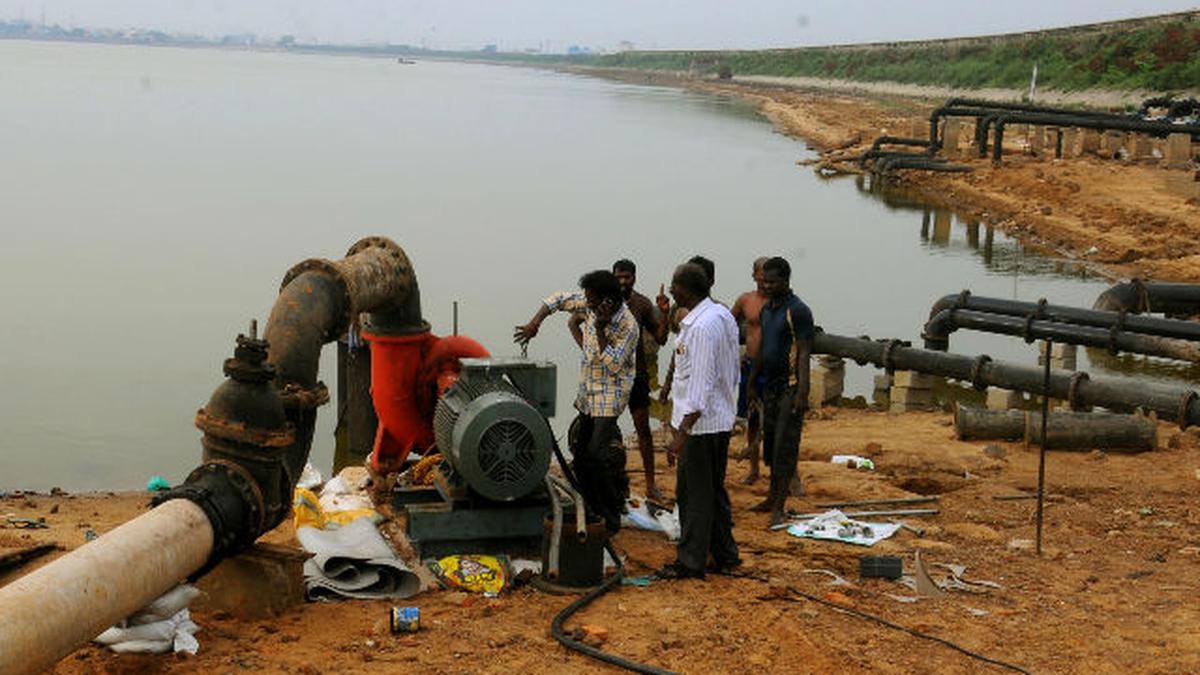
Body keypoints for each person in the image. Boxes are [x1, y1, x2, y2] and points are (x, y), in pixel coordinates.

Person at [514, 270, 639, 533]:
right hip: (589, 388)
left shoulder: (628, 326)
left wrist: (599, 329)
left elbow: (614, 364)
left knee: (596, 454)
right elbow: (557, 300)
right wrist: (535, 323)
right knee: (581, 455)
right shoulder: (591, 302)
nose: (588, 304)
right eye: (588, 300)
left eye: (592, 301)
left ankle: (611, 515)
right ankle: (590, 506)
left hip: (611, 392)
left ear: (609, 301)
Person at [656, 263, 741, 580]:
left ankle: (690, 562)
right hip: (718, 419)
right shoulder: (721, 316)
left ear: (684, 289)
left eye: (675, 286)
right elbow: (731, 371)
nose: (672, 292)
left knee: (694, 495)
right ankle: (726, 554)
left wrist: (682, 433)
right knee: (713, 490)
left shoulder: (703, 327)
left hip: (701, 426)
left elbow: (700, 386)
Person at [748, 257, 814, 527]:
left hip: (790, 387)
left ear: (786, 281)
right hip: (770, 386)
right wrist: (753, 381)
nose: (767, 285)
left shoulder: (797, 311)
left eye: (772, 282)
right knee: (771, 445)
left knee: (785, 448)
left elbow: (804, 352)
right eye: (764, 281)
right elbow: (764, 348)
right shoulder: (767, 310)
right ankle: (771, 497)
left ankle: (779, 507)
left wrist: (802, 392)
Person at [611, 259, 670, 502]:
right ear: (613, 277)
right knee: (606, 432)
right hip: (610, 378)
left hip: (637, 376)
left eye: (627, 277)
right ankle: (614, 483)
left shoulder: (643, 304)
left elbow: (662, 338)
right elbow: (577, 322)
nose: (623, 282)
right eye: (619, 277)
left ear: (634, 277)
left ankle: (650, 484)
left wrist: (664, 314)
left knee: (643, 430)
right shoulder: (604, 303)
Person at [730, 257, 769, 485]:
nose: (765, 279)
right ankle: (754, 469)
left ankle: (786, 473)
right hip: (750, 365)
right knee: (751, 419)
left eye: (769, 274)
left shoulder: (780, 303)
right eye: (761, 273)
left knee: (776, 421)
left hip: (773, 367)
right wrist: (738, 353)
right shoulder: (746, 300)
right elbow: (727, 323)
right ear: (754, 275)